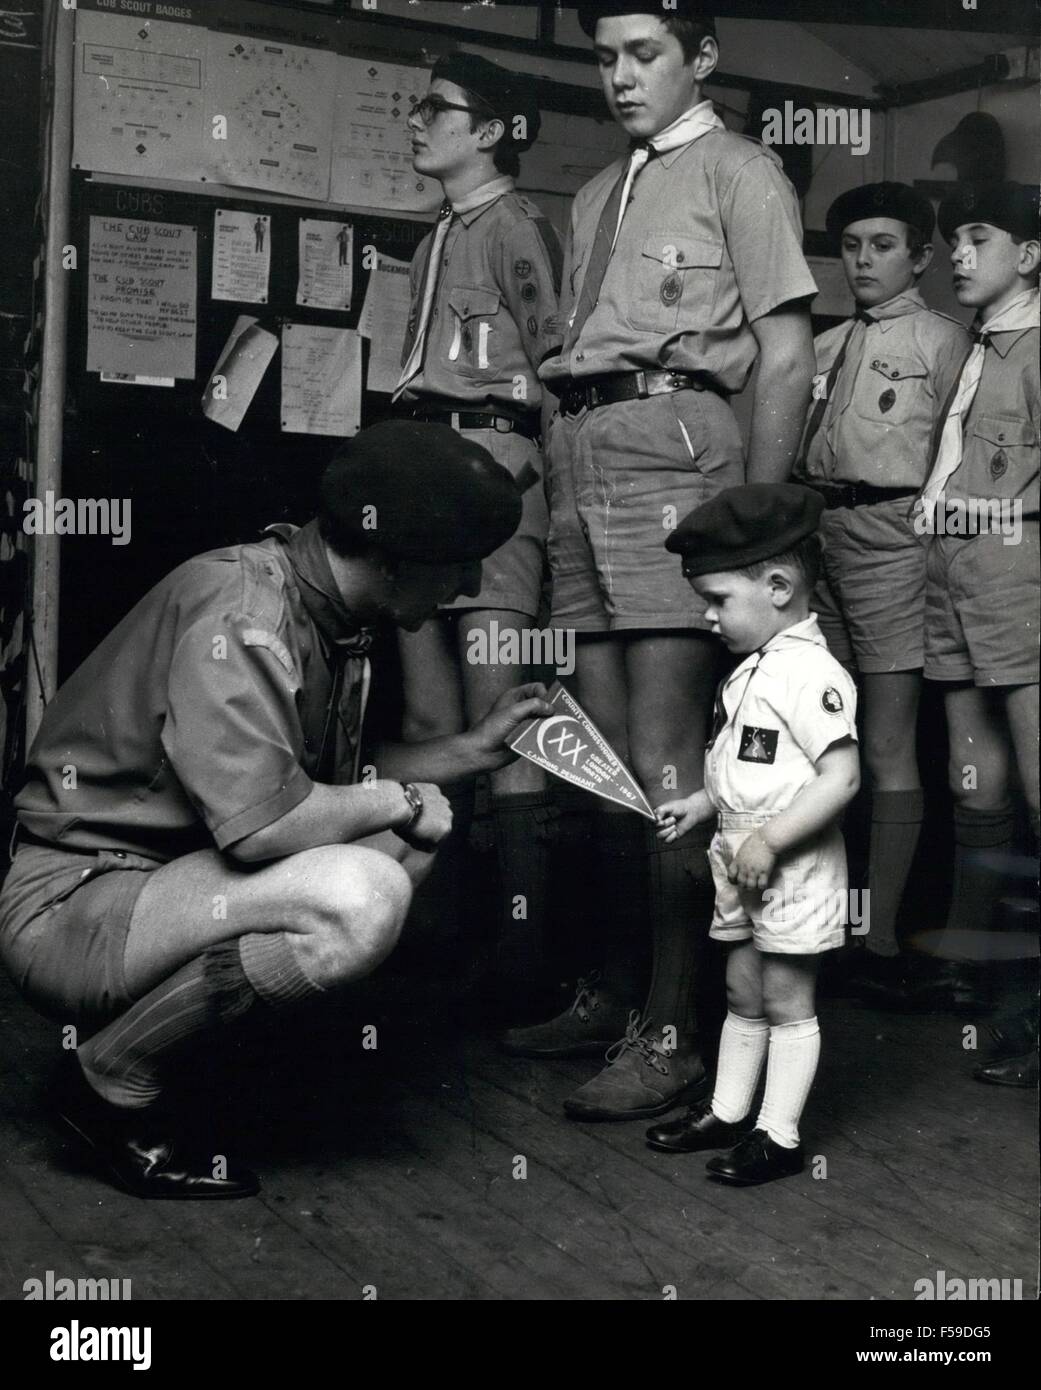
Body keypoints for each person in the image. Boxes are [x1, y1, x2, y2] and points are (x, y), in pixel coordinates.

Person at [0, 421, 553, 1198]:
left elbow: (318, 782)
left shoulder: (327, 607)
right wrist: (396, 798)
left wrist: (471, 751)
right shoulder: (244, 613)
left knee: (391, 843)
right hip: (72, 903)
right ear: (391, 563)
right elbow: (265, 827)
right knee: (362, 893)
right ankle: (108, 1080)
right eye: (458, 568)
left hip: (160, 888)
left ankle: (192, 1053)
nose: (464, 590)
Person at [504, 1, 817, 1122]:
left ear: (703, 59)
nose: (623, 78)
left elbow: (785, 350)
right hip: (584, 456)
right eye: (606, 58)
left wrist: (758, 520)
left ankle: (677, 1027)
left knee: (669, 761)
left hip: (677, 456)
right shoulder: (595, 192)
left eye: (646, 56)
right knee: (593, 760)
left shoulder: (742, 171)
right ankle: (613, 991)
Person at [394, 53, 563, 999]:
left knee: (501, 726)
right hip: (422, 479)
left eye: (436, 109)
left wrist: (537, 494)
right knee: (428, 719)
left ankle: (523, 951)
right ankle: (434, 933)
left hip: (495, 480)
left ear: (491, 131)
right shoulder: (435, 239)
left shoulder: (515, 228)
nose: (415, 122)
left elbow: (559, 368)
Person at [646, 484, 860, 1185]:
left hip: (789, 863)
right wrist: (703, 803)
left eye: (716, 600)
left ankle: (781, 1134)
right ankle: (730, 1110)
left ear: (776, 586)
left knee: (786, 999)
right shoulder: (755, 666)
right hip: (739, 856)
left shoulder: (810, 672)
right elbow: (753, 768)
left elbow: (839, 778)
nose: (708, 617)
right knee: (742, 990)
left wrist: (769, 841)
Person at [795, 183, 970, 1003]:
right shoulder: (825, 345)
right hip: (820, 537)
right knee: (820, 734)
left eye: (882, 245)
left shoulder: (946, 342)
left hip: (896, 535)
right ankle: (822, 920)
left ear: (922, 257)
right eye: (851, 245)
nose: (862, 260)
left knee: (890, 738)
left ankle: (881, 939)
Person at [915, 181, 1039, 1038]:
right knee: (975, 782)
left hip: (1016, 567)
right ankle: (974, 971)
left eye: (977, 237)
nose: (958, 254)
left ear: (1027, 256)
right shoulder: (975, 345)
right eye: (952, 240)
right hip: (950, 569)